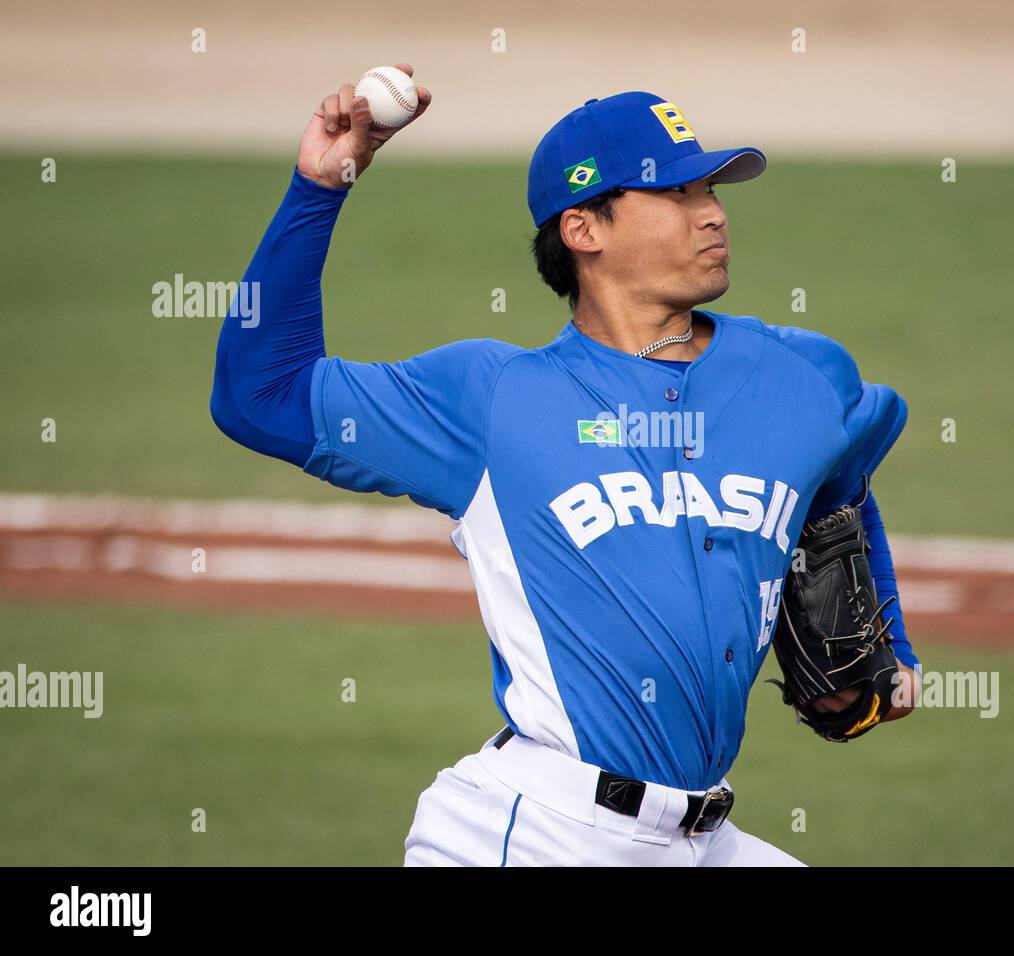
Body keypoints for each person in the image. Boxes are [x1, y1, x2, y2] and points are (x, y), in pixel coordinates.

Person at [210, 65, 919, 866]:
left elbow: (843, 482)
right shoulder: (491, 400)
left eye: (712, 191)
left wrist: (889, 650)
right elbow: (259, 395)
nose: (713, 214)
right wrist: (317, 189)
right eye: (678, 195)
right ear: (584, 229)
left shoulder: (805, 376)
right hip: (537, 833)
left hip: (703, 839)